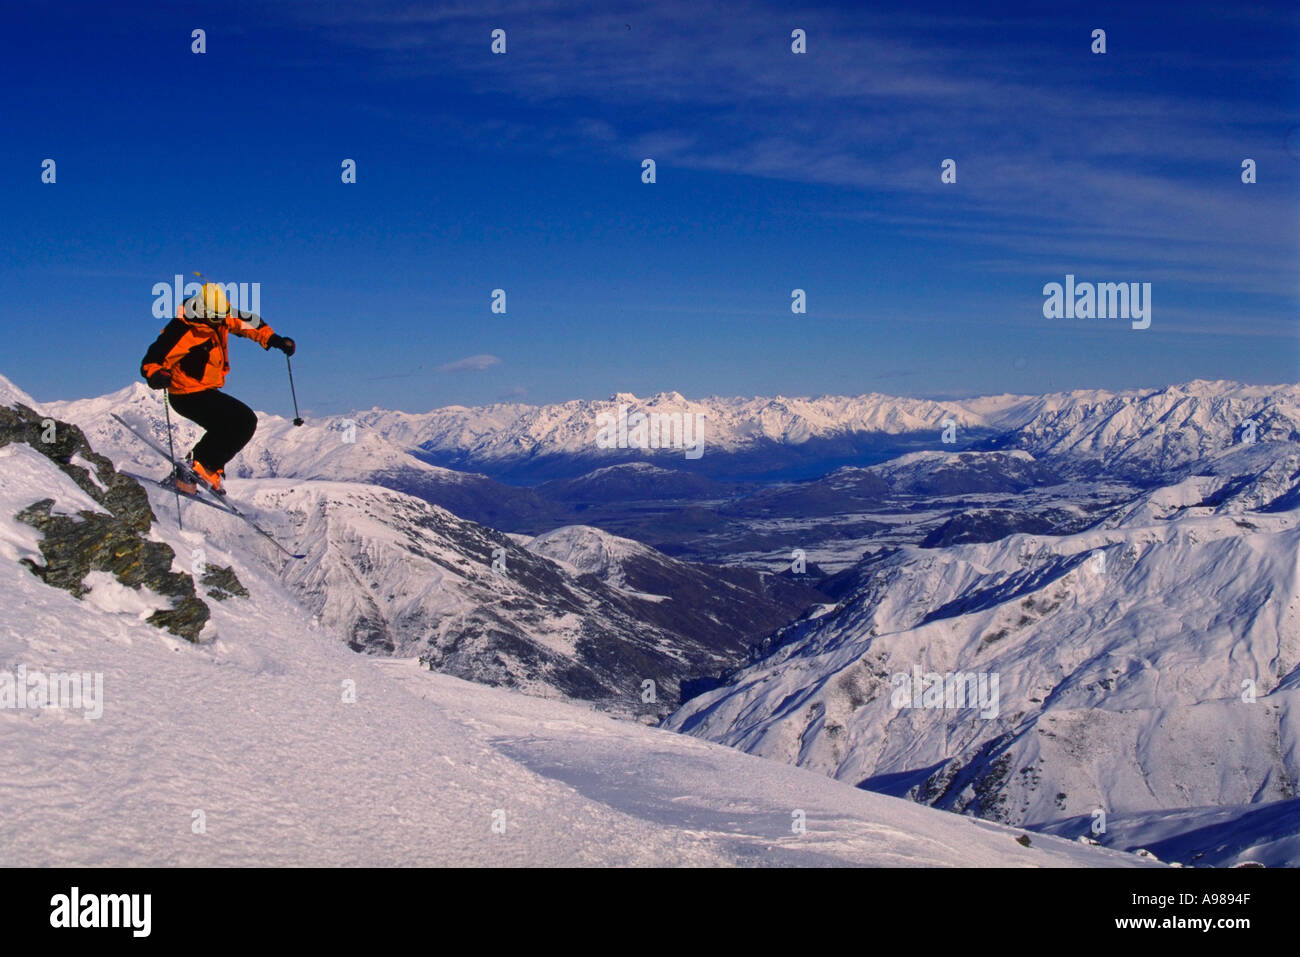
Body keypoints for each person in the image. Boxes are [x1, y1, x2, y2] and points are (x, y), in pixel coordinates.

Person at [139, 282, 296, 495]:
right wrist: (157, 374)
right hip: (186, 395)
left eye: (221, 315)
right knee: (242, 421)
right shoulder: (183, 328)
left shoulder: (221, 315)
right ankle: (199, 467)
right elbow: (153, 359)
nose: (219, 320)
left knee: (231, 426)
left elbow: (248, 322)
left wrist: (275, 340)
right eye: (214, 316)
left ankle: (192, 474)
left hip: (205, 390)